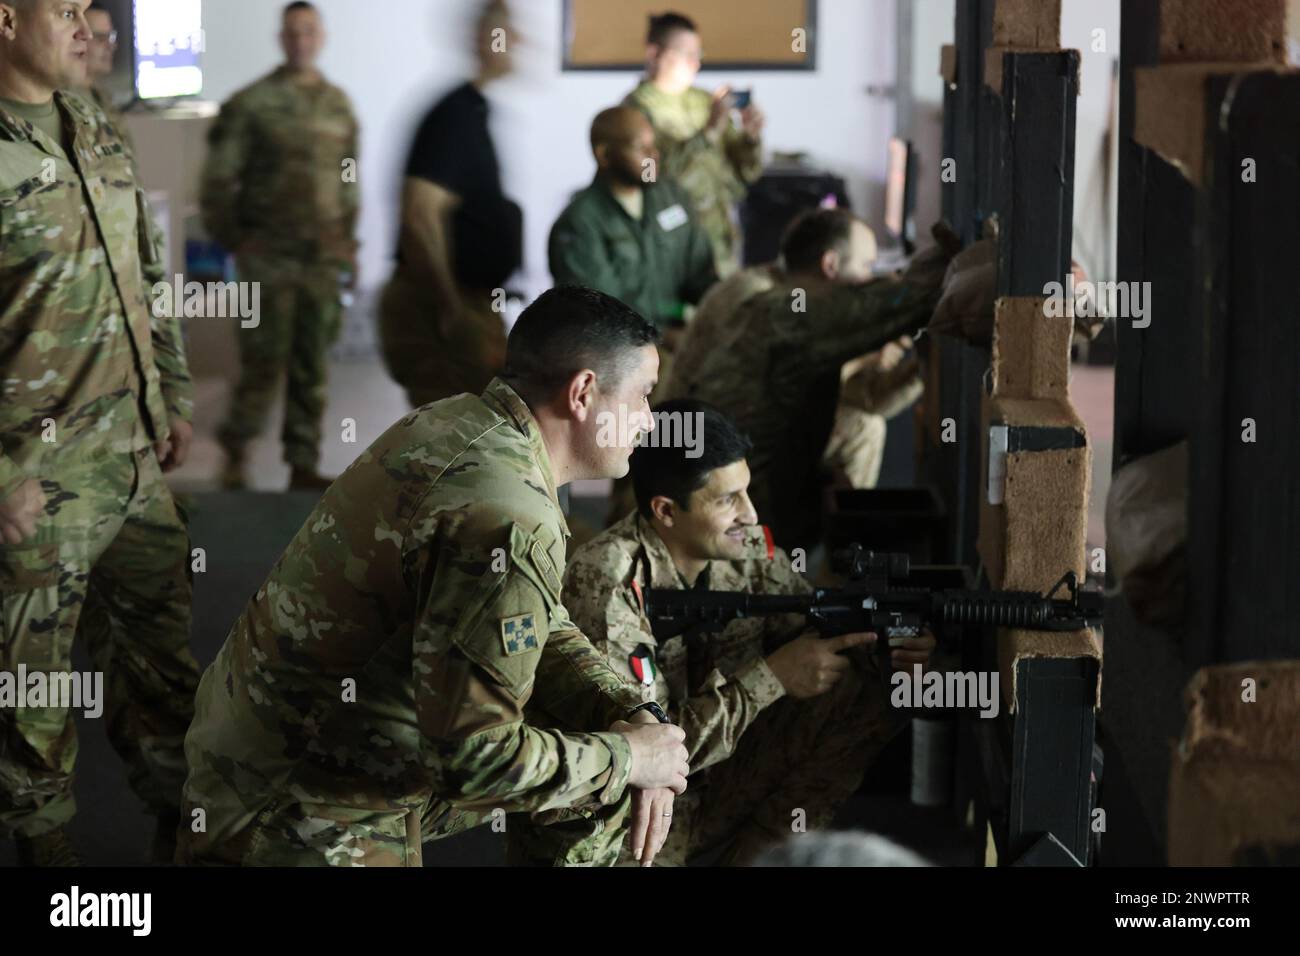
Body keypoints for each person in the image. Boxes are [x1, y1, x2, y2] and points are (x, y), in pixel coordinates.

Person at [177, 287, 691, 868]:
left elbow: (537, 622)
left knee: (593, 769)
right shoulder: (509, 516)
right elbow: (474, 762)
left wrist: (622, 709)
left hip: (262, 755)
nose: (651, 421)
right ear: (583, 393)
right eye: (644, 396)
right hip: (301, 810)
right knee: (606, 778)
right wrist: (628, 758)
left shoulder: (459, 422)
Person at [509, 401, 934, 866]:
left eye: (746, 492)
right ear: (666, 511)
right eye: (728, 499)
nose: (750, 516)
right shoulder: (606, 585)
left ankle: (766, 855)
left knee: (862, 691)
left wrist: (885, 646)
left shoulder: (746, 543)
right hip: (629, 820)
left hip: (714, 787)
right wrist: (772, 677)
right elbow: (655, 754)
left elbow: (813, 621)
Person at [0, 0, 200, 866]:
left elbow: (145, 267)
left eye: (92, 9)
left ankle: (182, 836)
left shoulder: (91, 120)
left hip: (132, 457)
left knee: (162, 666)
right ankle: (48, 868)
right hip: (34, 478)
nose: (89, 24)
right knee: (33, 698)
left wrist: (172, 394)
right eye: (67, 9)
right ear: (7, 18)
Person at [665, 208, 949, 553]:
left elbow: (869, 397)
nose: (870, 278)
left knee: (861, 426)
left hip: (719, 490)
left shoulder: (780, 301)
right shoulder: (787, 314)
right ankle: (827, 569)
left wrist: (916, 367)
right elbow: (896, 303)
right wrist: (955, 263)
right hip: (733, 519)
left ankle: (833, 563)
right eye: (866, 268)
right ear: (830, 265)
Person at [201, 1, 360, 491]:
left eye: (309, 32)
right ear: (281, 37)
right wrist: (235, 239)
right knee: (263, 362)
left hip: (322, 258)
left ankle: (302, 462)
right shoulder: (252, 104)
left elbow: (349, 178)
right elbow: (218, 179)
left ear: (323, 37)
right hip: (267, 257)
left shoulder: (339, 104)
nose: (300, 41)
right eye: (292, 32)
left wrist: (349, 242)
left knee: (312, 363)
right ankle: (237, 453)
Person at [378, 0, 523, 409]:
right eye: (508, 34)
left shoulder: (475, 112)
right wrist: (451, 309)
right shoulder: (453, 116)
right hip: (441, 306)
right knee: (455, 442)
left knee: (477, 436)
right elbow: (420, 215)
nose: (518, 44)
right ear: (485, 40)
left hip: (467, 302)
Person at [549, 106, 716, 333]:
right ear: (604, 155)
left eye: (653, 145)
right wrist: (664, 337)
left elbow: (703, 276)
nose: (653, 156)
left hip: (687, 339)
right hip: (624, 355)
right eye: (641, 148)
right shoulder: (580, 222)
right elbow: (596, 315)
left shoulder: (671, 198)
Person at [624, 12, 764, 277]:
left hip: (721, 238)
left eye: (698, 55)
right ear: (654, 53)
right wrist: (709, 132)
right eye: (685, 54)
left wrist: (751, 137)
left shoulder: (705, 102)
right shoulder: (636, 109)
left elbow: (747, 172)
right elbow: (653, 174)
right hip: (672, 240)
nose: (695, 64)